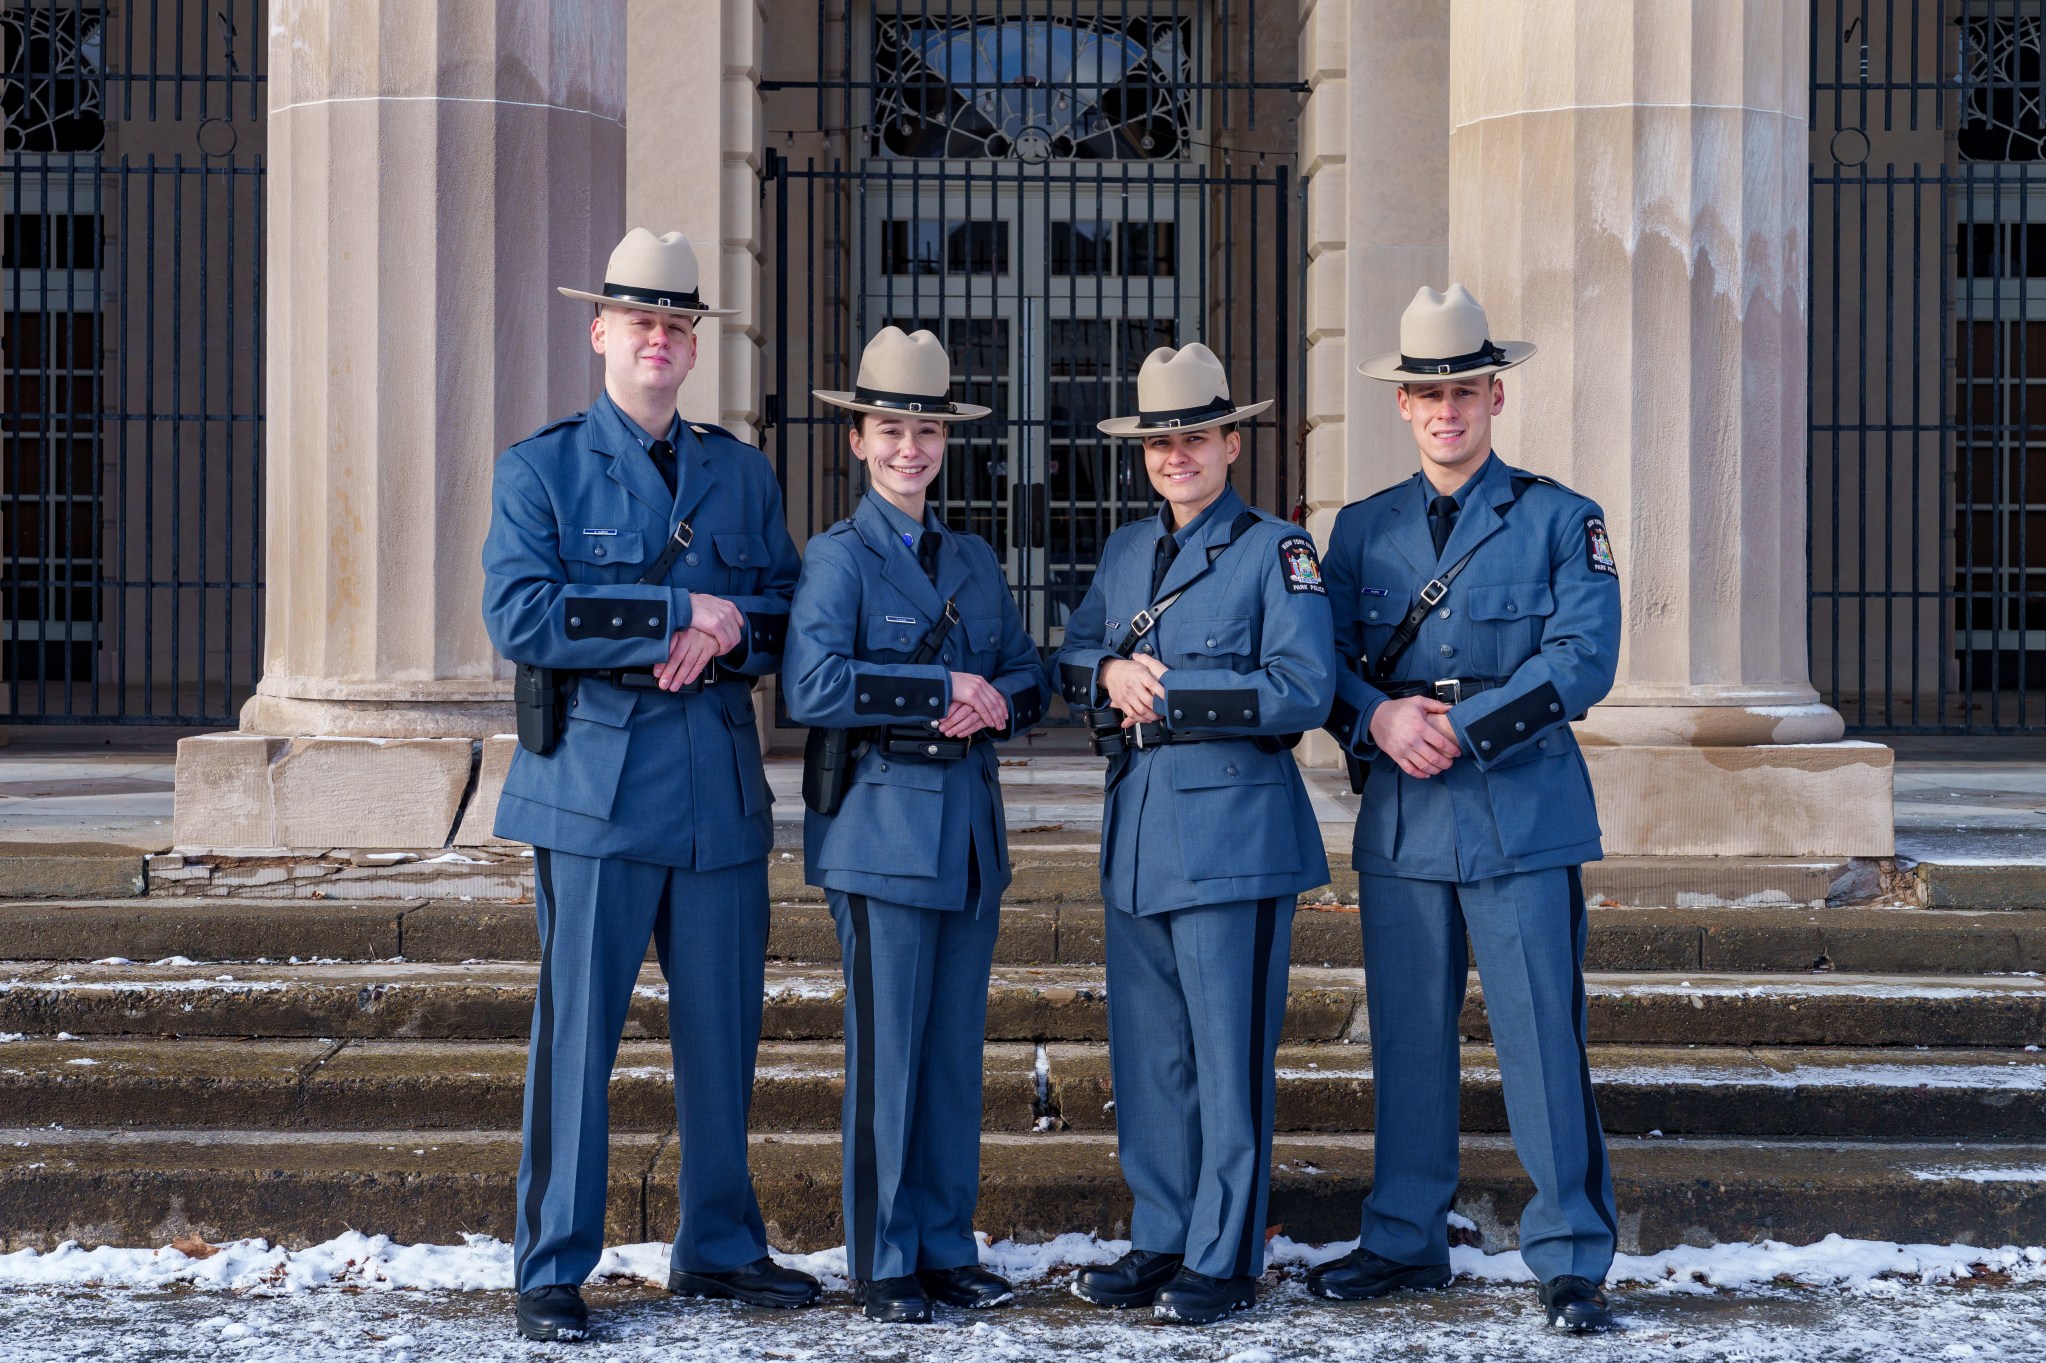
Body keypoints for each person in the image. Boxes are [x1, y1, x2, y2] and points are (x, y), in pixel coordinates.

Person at [482, 228, 816, 1343]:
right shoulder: (542, 468)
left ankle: (717, 1246)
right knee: (579, 1034)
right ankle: (551, 1263)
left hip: (715, 781)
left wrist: (728, 629)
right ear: (601, 333)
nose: (659, 340)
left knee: (723, 1032)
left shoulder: (741, 471)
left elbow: (788, 613)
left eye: (677, 324)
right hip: (595, 785)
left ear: (694, 343)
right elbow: (520, 613)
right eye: (641, 322)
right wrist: (678, 611)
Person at [1311, 284, 1623, 1332]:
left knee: (1541, 1036)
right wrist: (1375, 716)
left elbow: (1582, 659)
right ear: (1402, 404)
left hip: (1520, 806)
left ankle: (1571, 1255)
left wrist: (1467, 726)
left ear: (1496, 395)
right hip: (1405, 813)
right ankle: (1405, 1237)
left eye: (1464, 391)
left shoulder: (1561, 518)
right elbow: (1322, 658)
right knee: (1407, 1038)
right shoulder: (1360, 530)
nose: (1445, 410)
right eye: (1426, 394)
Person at [1050, 343, 1335, 1326]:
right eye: (1160, 443)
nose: (1178, 456)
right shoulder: (1128, 550)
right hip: (1139, 831)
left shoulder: (1276, 552)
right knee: (1152, 1056)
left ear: (1231, 444)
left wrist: (1169, 694)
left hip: (1234, 835)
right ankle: (1164, 1234)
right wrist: (1105, 674)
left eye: (1196, 438)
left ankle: (1223, 1254)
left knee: (1226, 1057)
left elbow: (1303, 688)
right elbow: (1075, 648)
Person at [783, 326, 1049, 1324]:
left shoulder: (972, 559)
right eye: (890, 429)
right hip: (882, 831)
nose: (909, 448)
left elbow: (1025, 670)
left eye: (926, 430)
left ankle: (943, 1243)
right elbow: (811, 684)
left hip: (968, 836)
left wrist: (999, 701)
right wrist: (941, 687)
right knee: (888, 1057)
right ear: (858, 439)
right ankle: (884, 1256)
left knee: (950, 1058)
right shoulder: (838, 557)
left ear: (946, 442)